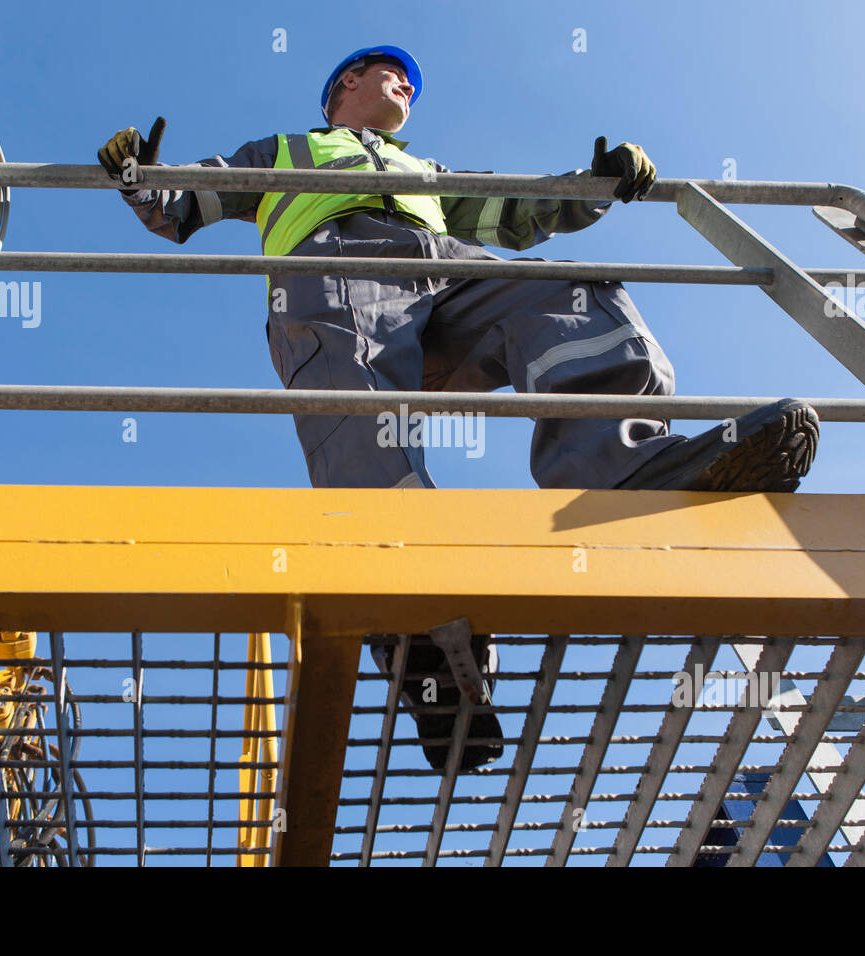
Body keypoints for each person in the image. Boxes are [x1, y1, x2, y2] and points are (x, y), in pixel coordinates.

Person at [98, 45, 819, 770]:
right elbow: (190, 201)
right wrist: (140, 179)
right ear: (346, 84)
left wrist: (596, 185)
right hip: (334, 271)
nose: (408, 84)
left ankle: (624, 470)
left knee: (567, 295)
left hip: (439, 270)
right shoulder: (284, 150)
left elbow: (510, 214)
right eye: (393, 73)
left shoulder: (423, 172)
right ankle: (425, 642)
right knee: (360, 412)